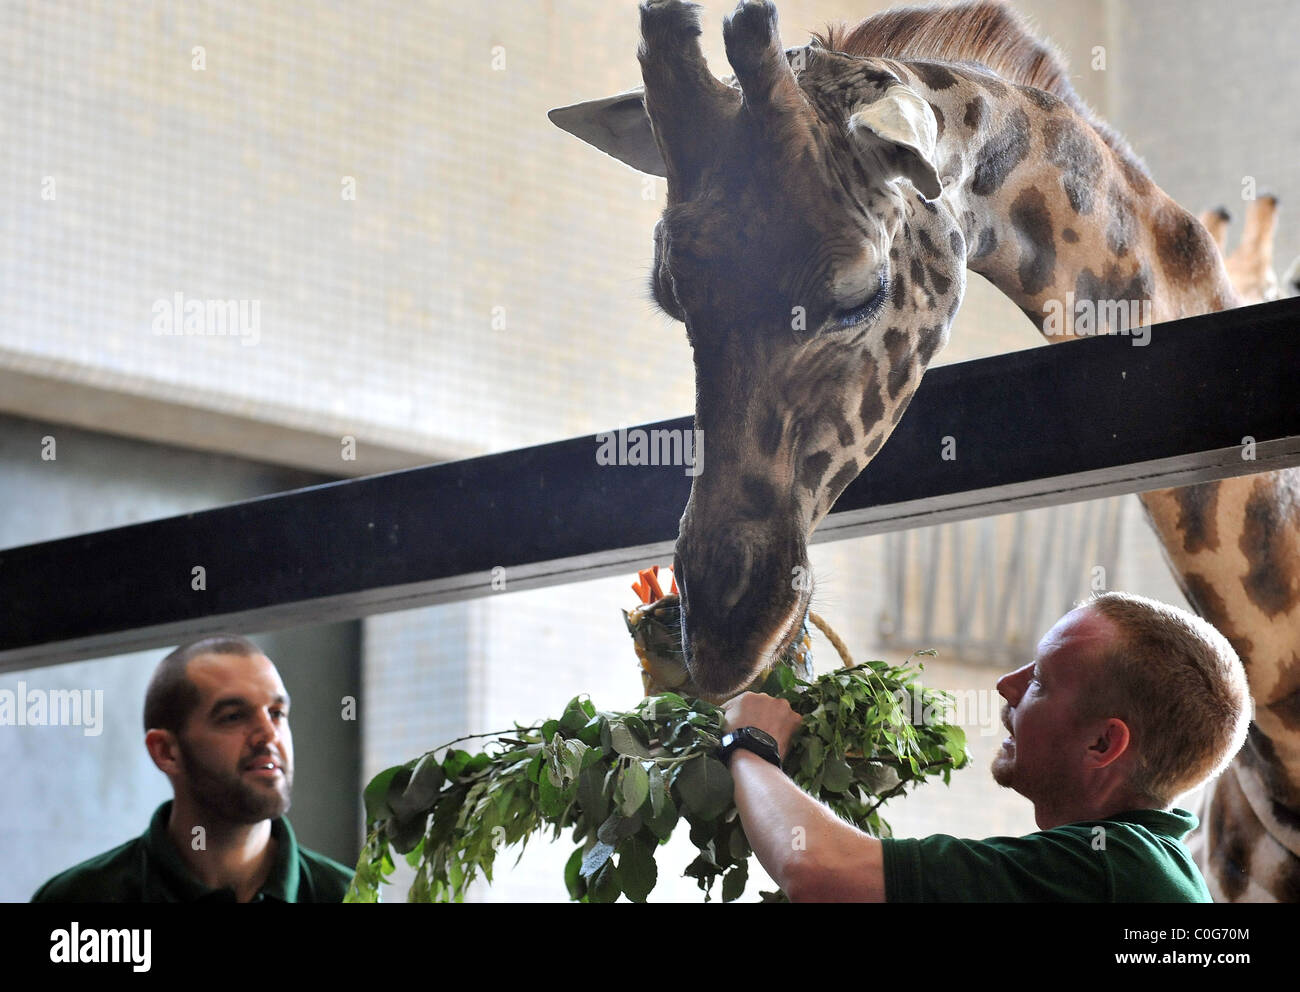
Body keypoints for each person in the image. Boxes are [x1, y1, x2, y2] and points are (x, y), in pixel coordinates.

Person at [719, 591, 1251, 902]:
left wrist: (750, 742)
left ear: (1102, 742)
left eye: (1041, 681)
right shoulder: (1143, 870)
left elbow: (816, 868)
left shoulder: (1109, 869)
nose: (1006, 685)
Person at [32, 635, 353, 902]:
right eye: (233, 716)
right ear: (166, 751)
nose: (269, 735)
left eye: (277, 713)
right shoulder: (79, 898)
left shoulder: (350, 896)